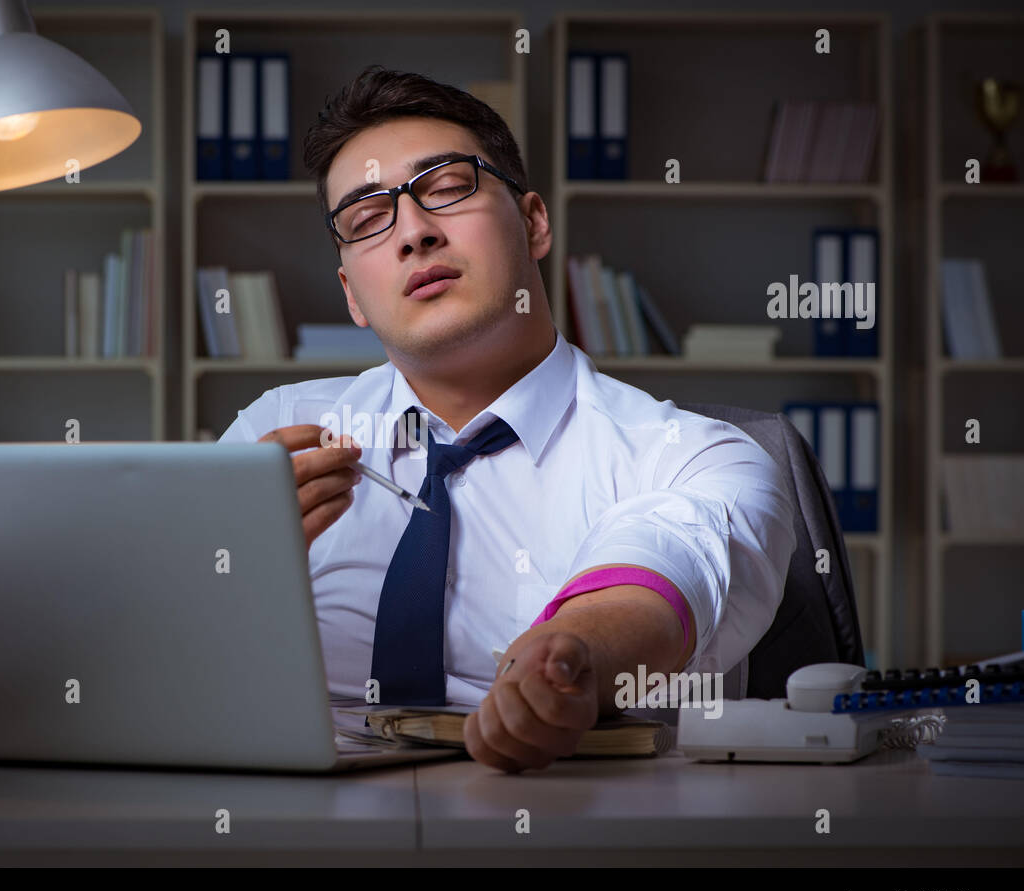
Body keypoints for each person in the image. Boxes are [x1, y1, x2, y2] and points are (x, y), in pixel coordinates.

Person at [217, 66, 796, 772]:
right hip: (295, 818)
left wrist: (569, 655)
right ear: (353, 298)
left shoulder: (696, 454)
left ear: (533, 221)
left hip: (568, 818)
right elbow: (157, 650)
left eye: (446, 187)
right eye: (368, 218)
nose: (413, 233)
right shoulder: (274, 437)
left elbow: (663, 564)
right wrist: (222, 562)